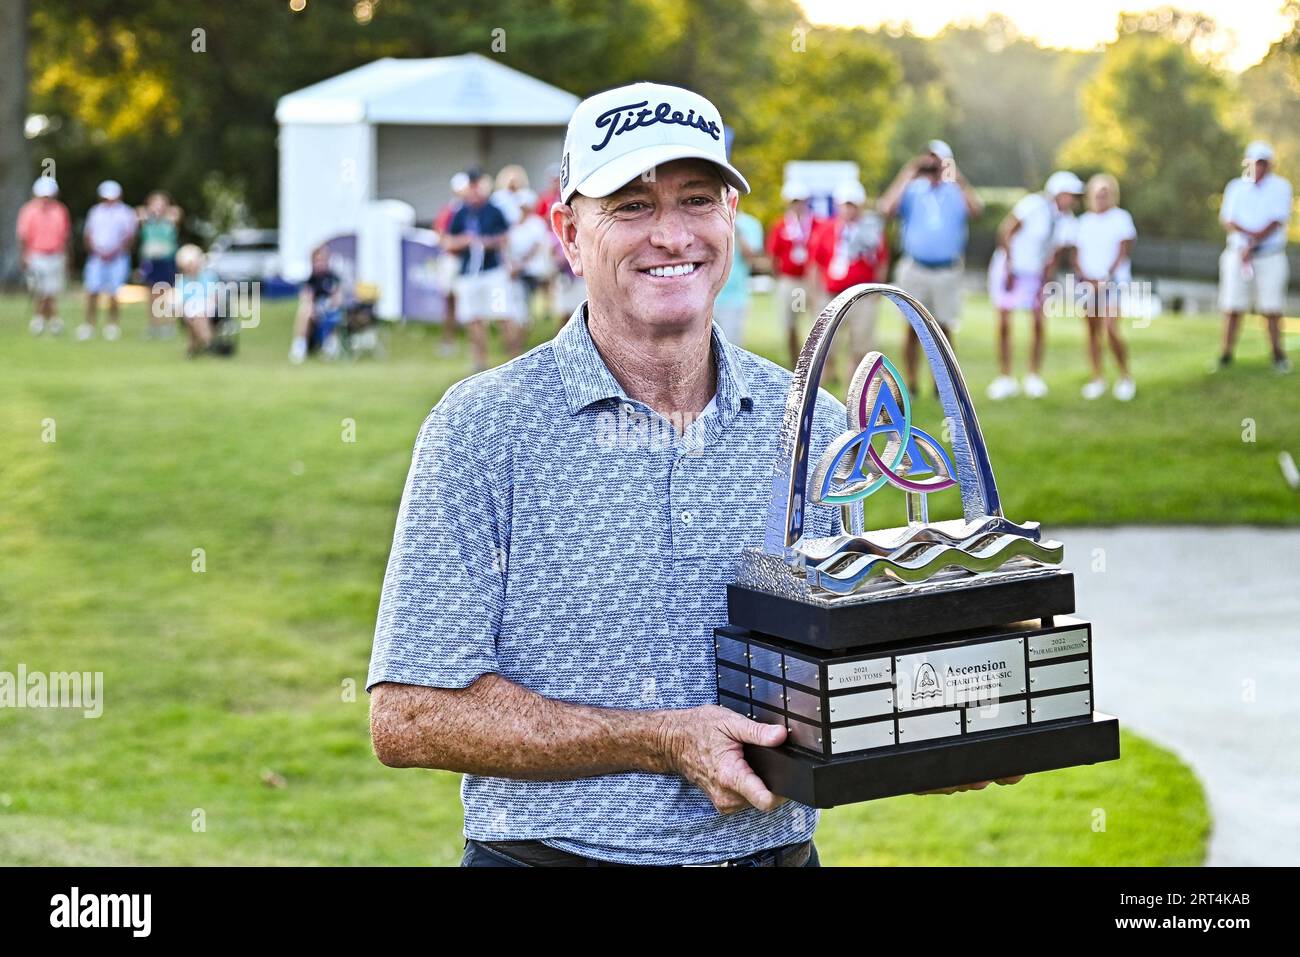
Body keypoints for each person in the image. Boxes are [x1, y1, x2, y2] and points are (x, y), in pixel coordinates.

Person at [367, 81, 1019, 870]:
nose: (671, 235)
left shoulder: (815, 423)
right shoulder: (483, 428)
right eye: (631, 206)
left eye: (696, 199)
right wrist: (660, 740)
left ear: (732, 221)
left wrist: (940, 725)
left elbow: (840, 661)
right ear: (569, 234)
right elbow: (409, 714)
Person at [879, 140, 983, 392]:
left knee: (944, 329)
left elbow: (976, 210)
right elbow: (886, 208)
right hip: (916, 268)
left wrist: (956, 176)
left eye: (938, 163)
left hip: (946, 270)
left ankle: (944, 386)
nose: (933, 167)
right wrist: (908, 172)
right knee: (912, 328)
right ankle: (911, 384)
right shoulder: (913, 190)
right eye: (929, 161)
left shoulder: (955, 191)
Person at [986, 171, 1084, 400]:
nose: (1075, 199)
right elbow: (1006, 232)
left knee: (1039, 322)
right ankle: (1005, 378)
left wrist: (1045, 281)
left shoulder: (1068, 221)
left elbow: (1055, 255)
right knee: (1004, 323)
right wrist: (1009, 267)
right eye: (1071, 194)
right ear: (1058, 193)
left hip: (1034, 275)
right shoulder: (1033, 205)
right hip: (1010, 268)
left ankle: (1033, 377)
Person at [1217, 141, 1292, 374]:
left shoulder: (1281, 187)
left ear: (1269, 164)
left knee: (1271, 308)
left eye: (1261, 163)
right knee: (1232, 306)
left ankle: (1278, 356)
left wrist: (1253, 241)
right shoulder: (1235, 187)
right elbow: (1228, 220)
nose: (1257, 167)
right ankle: (1226, 355)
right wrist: (1246, 241)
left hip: (1269, 255)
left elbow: (1275, 222)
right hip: (1238, 255)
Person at [810, 180, 889, 381]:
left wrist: (877, 293)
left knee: (861, 347)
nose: (848, 210)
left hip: (862, 295)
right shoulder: (827, 230)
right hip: (832, 294)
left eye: (852, 205)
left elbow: (881, 261)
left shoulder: (871, 231)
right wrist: (814, 293)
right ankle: (822, 394)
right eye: (845, 205)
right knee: (825, 347)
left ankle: (851, 395)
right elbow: (816, 263)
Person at [444, 171, 517, 370]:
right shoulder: (461, 212)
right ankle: (480, 363)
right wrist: (465, 241)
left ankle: (514, 360)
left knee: (503, 314)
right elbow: (448, 241)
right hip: (469, 273)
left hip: (492, 271)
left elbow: (505, 238)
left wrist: (486, 242)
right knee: (473, 318)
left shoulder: (493, 210)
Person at [1072, 174, 1136, 401]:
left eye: (1106, 194)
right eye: (1098, 194)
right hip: (1087, 284)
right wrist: (1088, 279)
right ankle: (1097, 378)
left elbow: (1123, 251)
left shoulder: (1121, 218)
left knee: (1110, 328)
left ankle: (1125, 377)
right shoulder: (1083, 222)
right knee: (1091, 331)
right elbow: (1076, 255)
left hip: (1113, 283)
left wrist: (1105, 278)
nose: (1101, 198)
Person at [766, 180, 822, 367]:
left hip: (812, 281)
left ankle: (816, 365)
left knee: (815, 324)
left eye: (800, 201)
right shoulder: (781, 225)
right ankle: (796, 364)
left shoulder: (816, 224)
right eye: (794, 201)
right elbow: (773, 256)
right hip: (791, 281)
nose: (797, 205)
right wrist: (780, 278)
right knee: (791, 324)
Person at [81, 180, 138, 341]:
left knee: (114, 292)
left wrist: (116, 251)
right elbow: (88, 235)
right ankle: (89, 325)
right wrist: (97, 251)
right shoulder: (95, 212)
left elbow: (129, 236)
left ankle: (112, 326)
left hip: (117, 257)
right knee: (92, 291)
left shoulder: (126, 213)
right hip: (97, 257)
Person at [16, 176, 72, 337]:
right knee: (40, 291)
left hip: (56, 255)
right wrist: (24, 256)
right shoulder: (29, 210)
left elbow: (65, 237)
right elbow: (23, 237)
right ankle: (47, 320)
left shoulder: (60, 210)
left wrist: (68, 257)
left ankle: (45, 321)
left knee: (51, 291)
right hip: (36, 255)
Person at [712, 206, 763, 347]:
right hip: (706, 298)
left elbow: (752, 258)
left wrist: (736, 230)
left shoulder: (750, 224)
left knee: (731, 348)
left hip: (735, 298)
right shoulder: (708, 219)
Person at [434, 171, 472, 357]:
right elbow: (442, 236)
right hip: (451, 259)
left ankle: (466, 342)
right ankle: (449, 340)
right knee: (449, 301)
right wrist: (458, 242)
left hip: (467, 261)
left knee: (464, 303)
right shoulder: (450, 210)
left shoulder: (470, 209)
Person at [137, 191, 183, 339]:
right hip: (151, 261)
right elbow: (138, 213)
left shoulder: (170, 219)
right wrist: (152, 212)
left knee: (168, 293)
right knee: (152, 294)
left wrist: (161, 211)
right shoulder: (147, 220)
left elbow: (177, 213)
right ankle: (153, 325)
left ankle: (168, 325)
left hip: (167, 260)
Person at [288, 245, 343, 364]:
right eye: (317, 260)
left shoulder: (333, 278)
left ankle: (331, 345)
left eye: (322, 259)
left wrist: (330, 306)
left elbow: (337, 298)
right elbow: (306, 296)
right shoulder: (310, 280)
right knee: (305, 311)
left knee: (336, 315)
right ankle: (299, 346)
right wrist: (312, 309)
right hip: (315, 312)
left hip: (330, 311)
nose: (320, 263)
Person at [173, 243, 217, 357]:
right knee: (194, 314)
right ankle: (207, 343)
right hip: (189, 309)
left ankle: (196, 345)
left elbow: (213, 296)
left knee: (197, 315)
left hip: (207, 306)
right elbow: (180, 299)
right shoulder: (181, 281)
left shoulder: (209, 276)